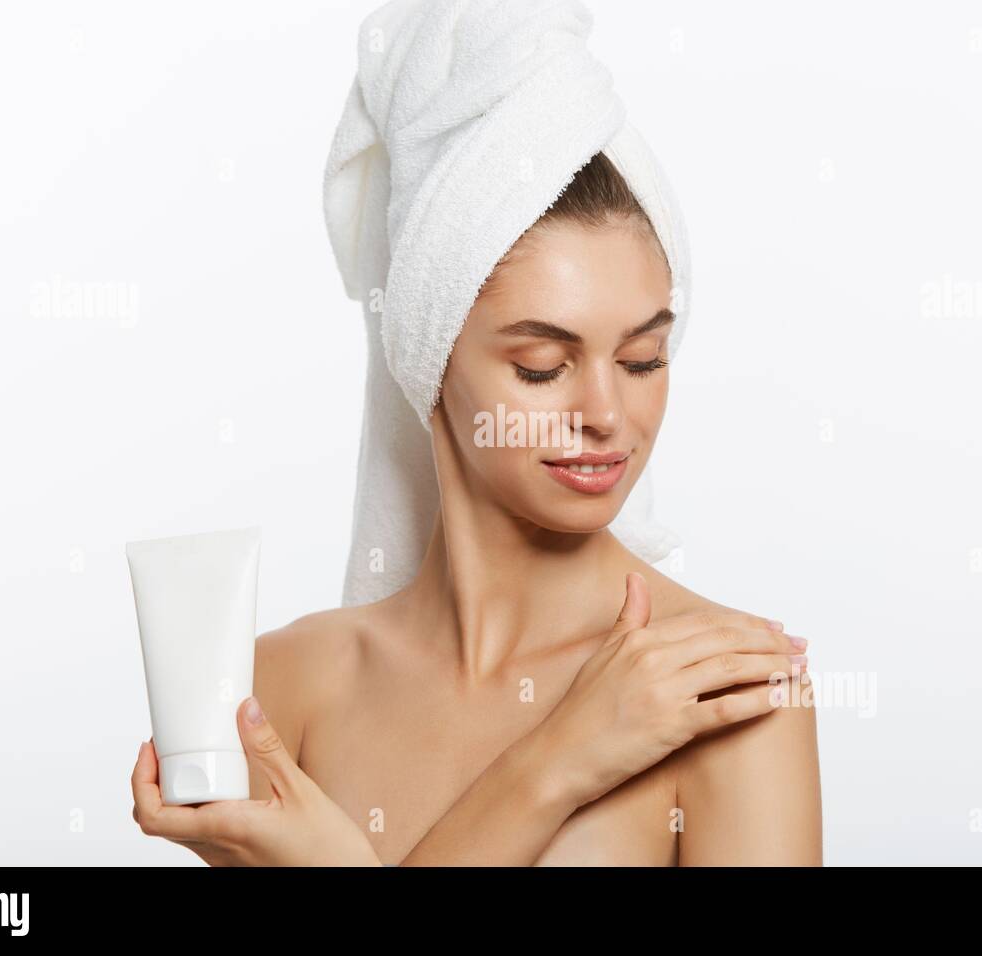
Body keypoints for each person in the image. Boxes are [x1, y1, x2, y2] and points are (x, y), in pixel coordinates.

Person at [131, 152, 822, 865]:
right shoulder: (279, 691)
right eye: (542, 368)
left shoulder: (723, 690)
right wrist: (555, 764)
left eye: (642, 359)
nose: (608, 414)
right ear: (428, 360)